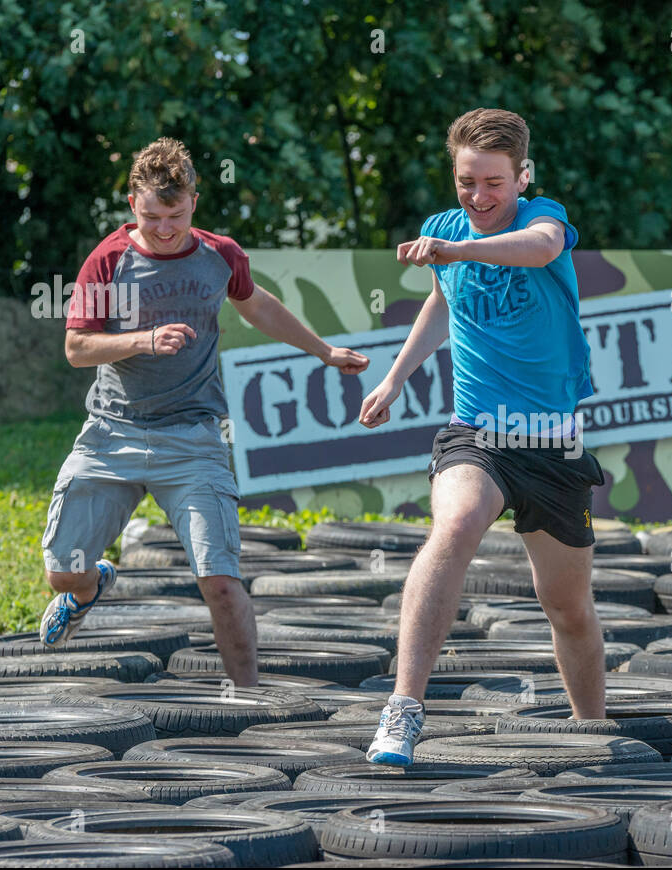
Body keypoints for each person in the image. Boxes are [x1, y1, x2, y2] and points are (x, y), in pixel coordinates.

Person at [39, 137, 368, 683]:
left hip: (193, 438)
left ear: (194, 199)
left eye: (175, 214)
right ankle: (89, 586)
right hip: (112, 434)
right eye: (150, 217)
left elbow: (257, 304)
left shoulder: (221, 255)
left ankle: (249, 699)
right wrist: (144, 340)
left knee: (220, 580)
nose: (164, 228)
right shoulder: (108, 259)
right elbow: (77, 348)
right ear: (130, 206)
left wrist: (325, 351)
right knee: (61, 574)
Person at [358, 108, 606, 765]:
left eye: (494, 182)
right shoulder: (441, 230)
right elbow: (442, 300)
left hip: (553, 442)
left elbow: (542, 249)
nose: (478, 196)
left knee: (568, 608)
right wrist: (394, 380)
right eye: (467, 181)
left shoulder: (542, 217)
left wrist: (458, 249)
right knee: (458, 521)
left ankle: (595, 734)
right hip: (478, 434)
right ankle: (404, 709)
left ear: (521, 176)